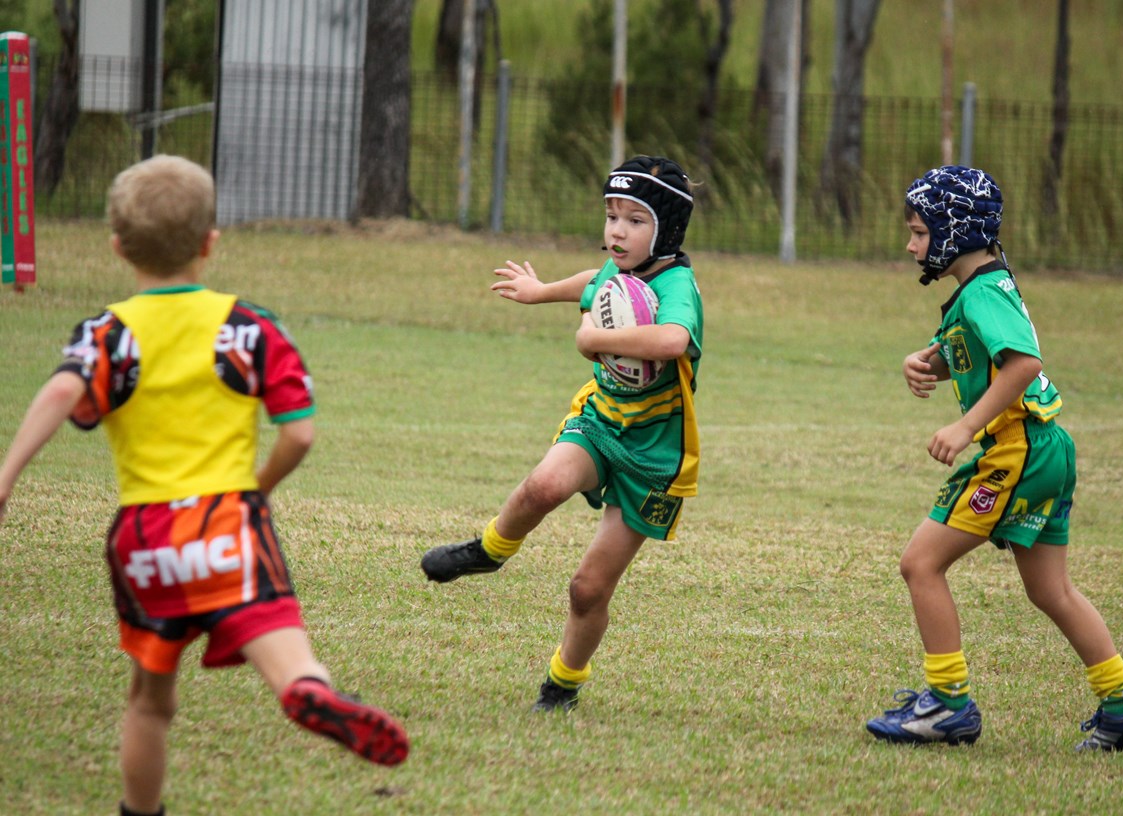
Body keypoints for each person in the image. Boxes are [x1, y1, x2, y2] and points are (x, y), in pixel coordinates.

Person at [0, 156, 409, 816]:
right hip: (226, 523)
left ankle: (141, 812)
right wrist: (258, 489)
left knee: (149, 702)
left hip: (144, 539)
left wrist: (6, 477)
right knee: (285, 654)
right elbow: (300, 435)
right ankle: (308, 689)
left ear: (116, 247)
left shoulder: (110, 333)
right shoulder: (247, 327)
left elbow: (61, 389)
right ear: (210, 242)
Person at [865, 165, 1123, 752]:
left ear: (955, 232)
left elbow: (1022, 362)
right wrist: (926, 360)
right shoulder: (984, 287)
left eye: (920, 232)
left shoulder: (980, 292)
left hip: (1016, 447)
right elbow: (975, 349)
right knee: (1051, 591)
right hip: (1049, 447)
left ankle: (948, 704)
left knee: (920, 564)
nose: (910, 244)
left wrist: (966, 424)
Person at [420, 155, 703, 713]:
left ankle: (561, 686)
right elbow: (593, 281)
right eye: (611, 215)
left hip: (655, 456)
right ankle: (490, 550)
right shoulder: (619, 274)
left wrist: (592, 343)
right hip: (601, 421)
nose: (617, 230)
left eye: (634, 219)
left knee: (587, 589)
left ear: (665, 229)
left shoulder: (678, 285)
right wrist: (541, 289)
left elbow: (673, 341)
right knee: (542, 487)